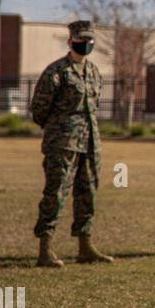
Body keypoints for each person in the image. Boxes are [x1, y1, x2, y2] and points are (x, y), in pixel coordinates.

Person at [30, 20, 113, 267]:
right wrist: (59, 129)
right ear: (70, 41)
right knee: (56, 193)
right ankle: (45, 247)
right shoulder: (56, 72)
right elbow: (39, 109)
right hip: (63, 143)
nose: (85, 44)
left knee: (88, 192)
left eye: (89, 40)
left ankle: (85, 246)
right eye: (80, 40)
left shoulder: (94, 72)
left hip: (90, 142)